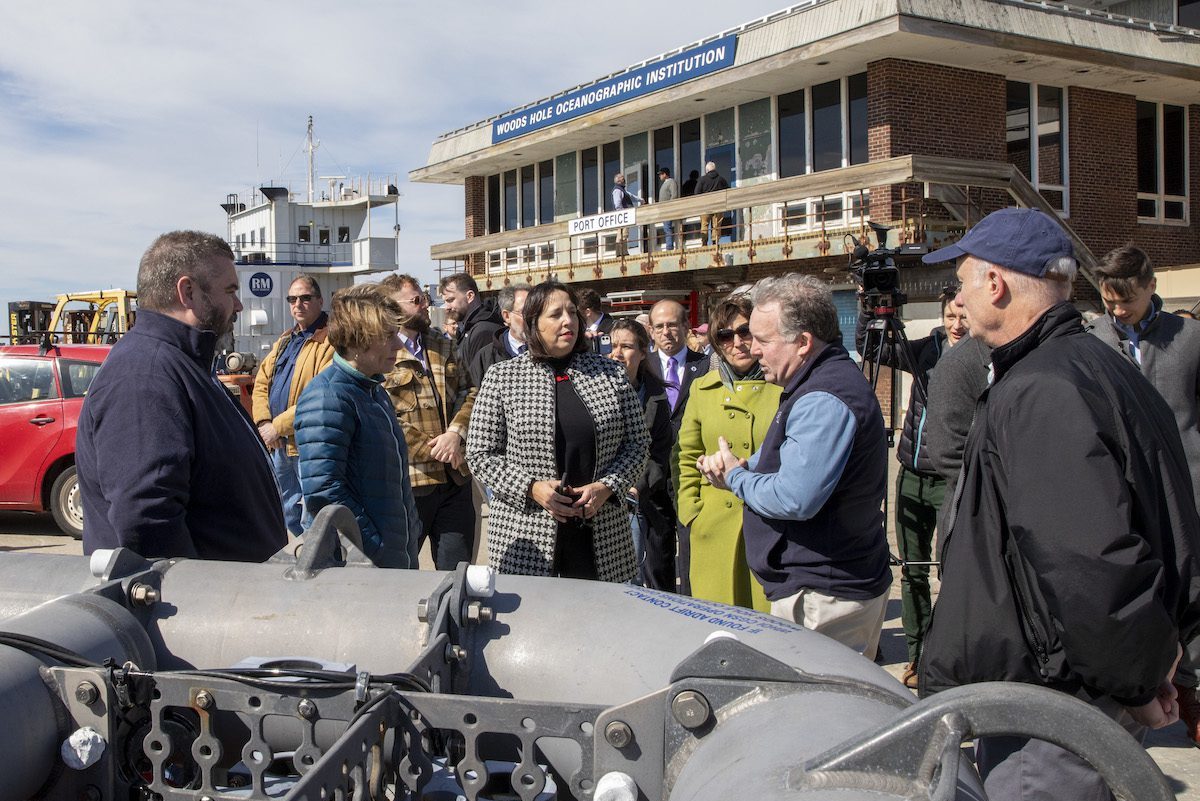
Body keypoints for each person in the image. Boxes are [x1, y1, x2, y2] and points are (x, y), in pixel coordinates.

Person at [917, 208, 1200, 800]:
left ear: (995, 284)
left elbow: (1091, 563)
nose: (960, 300)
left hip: (1055, 710)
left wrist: (1137, 682)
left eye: (965, 281)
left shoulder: (1042, 388)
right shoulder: (1093, 365)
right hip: (1078, 684)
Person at [697, 274, 892, 657]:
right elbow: (798, 464)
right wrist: (746, 467)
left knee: (821, 712)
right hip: (823, 587)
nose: (752, 350)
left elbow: (794, 497)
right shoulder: (815, 382)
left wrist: (736, 476)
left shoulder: (823, 395)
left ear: (803, 342)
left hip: (825, 597)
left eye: (762, 340)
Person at [77, 231, 285, 561]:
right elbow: (147, 519)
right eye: (230, 291)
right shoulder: (145, 374)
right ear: (187, 292)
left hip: (235, 600)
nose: (239, 305)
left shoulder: (183, 364)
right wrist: (200, 600)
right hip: (200, 607)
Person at [1088, 244, 1200, 744]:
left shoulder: (1190, 338)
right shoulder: (1092, 337)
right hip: (1123, 494)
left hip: (1188, 492)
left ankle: (1190, 694)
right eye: (1110, 301)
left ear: (1151, 286)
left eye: (1126, 300)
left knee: (1189, 594)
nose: (1118, 311)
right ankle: (1138, 700)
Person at [467, 281, 649, 581]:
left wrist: (606, 487)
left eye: (572, 312)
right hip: (526, 532)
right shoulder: (503, 377)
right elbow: (480, 454)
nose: (568, 321)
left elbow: (638, 443)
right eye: (556, 314)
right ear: (534, 323)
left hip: (601, 534)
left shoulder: (610, 373)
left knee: (599, 622)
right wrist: (531, 488)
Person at [854, 287, 968, 688]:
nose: (957, 325)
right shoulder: (928, 348)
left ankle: (950, 655)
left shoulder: (983, 355)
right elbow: (874, 350)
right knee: (914, 571)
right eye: (951, 317)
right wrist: (870, 305)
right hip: (912, 475)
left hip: (955, 479)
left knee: (955, 571)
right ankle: (918, 655)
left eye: (964, 317)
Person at [295, 284, 420, 569]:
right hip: (365, 572)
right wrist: (374, 548)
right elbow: (324, 492)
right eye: (387, 336)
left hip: (389, 562)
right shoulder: (328, 397)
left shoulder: (373, 390)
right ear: (356, 340)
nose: (399, 345)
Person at [676, 295, 781, 612]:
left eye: (745, 331)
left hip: (771, 526)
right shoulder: (702, 388)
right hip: (714, 527)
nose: (737, 342)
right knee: (720, 629)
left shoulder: (784, 386)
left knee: (769, 633)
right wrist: (691, 513)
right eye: (725, 335)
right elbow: (685, 455)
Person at [381, 274, 477, 571]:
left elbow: (469, 390)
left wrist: (455, 434)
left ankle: (453, 619)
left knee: (457, 574)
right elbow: (384, 415)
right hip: (411, 485)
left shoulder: (442, 343)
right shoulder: (381, 352)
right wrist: (436, 448)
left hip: (454, 479)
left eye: (424, 297)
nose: (426, 304)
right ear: (392, 307)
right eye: (417, 300)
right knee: (401, 574)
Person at [252, 274, 334, 536]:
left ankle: (321, 565)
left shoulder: (329, 340)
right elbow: (261, 382)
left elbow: (318, 394)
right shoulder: (285, 340)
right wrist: (264, 423)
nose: (298, 304)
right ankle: (303, 555)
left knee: (315, 514)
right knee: (286, 511)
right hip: (279, 445)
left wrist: (277, 426)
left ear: (320, 301)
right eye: (292, 299)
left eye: (305, 298)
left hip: (308, 446)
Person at [647, 298, 711, 594]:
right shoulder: (642, 368)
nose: (666, 332)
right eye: (659, 326)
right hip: (653, 473)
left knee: (691, 547)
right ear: (651, 331)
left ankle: (690, 605)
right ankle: (663, 608)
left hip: (690, 473)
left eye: (672, 324)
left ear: (686, 327)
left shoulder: (707, 367)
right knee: (657, 552)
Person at [608, 318, 676, 590]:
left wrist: (635, 487)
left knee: (649, 575)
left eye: (626, 346)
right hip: (607, 497)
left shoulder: (657, 397)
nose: (617, 353)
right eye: (613, 346)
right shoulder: (598, 390)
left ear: (643, 352)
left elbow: (660, 452)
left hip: (644, 496)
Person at [468, 283, 532, 389]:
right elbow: (472, 396)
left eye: (538, 312)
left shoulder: (549, 351)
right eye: (526, 312)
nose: (533, 319)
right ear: (506, 316)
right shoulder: (486, 357)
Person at [439, 273, 503, 368]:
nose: (446, 307)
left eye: (450, 300)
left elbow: (481, 379)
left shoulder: (483, 333)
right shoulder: (467, 330)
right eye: (445, 302)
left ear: (469, 296)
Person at [695, 161, 729, 245]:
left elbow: (696, 192)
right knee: (716, 225)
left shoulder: (702, 179)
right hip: (718, 206)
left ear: (707, 170)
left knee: (704, 224)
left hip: (705, 206)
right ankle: (715, 242)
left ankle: (704, 243)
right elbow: (728, 190)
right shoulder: (721, 179)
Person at [612, 173, 643, 255]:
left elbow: (631, 196)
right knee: (622, 234)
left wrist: (641, 200)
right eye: (622, 178)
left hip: (624, 216)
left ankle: (622, 252)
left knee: (623, 234)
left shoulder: (623, 190)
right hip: (622, 216)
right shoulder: (617, 190)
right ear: (618, 180)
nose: (624, 179)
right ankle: (621, 253)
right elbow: (617, 204)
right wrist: (623, 213)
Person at [657, 167, 679, 250]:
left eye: (661, 174)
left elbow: (674, 195)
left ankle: (669, 247)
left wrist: (669, 206)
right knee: (666, 227)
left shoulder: (671, 182)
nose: (659, 176)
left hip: (668, 210)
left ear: (665, 174)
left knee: (667, 228)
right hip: (663, 210)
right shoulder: (665, 183)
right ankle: (668, 245)